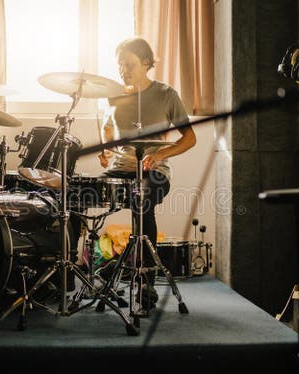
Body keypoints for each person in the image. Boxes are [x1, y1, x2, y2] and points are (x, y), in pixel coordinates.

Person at [98, 37, 196, 312]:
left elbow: (189, 138)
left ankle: (145, 282)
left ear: (145, 63)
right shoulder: (114, 95)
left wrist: (161, 154)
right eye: (119, 65)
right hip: (120, 169)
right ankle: (88, 267)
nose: (122, 70)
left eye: (128, 64)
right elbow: (107, 129)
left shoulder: (166, 94)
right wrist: (106, 151)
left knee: (143, 203)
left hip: (155, 172)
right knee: (80, 194)